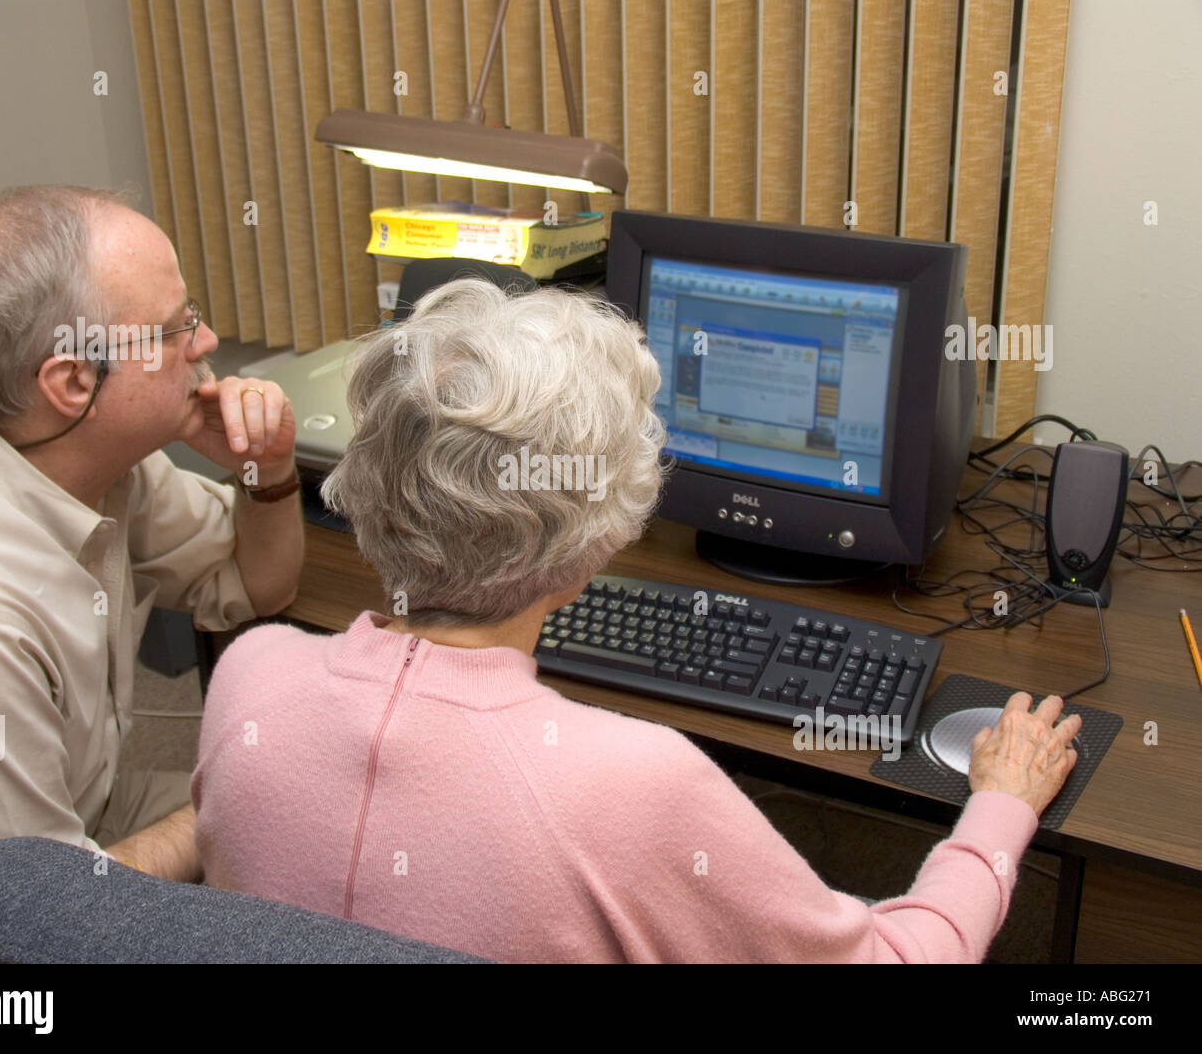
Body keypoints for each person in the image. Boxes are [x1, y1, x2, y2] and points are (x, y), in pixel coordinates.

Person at [191, 278, 1079, 963]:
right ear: (597, 539)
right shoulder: (636, 785)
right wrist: (997, 809)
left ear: (369, 487)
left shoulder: (250, 675)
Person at [0, 185, 304, 907]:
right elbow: (25, 919)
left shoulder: (74, 449)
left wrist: (266, 470)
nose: (205, 343)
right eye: (176, 328)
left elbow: (257, 583)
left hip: (84, 812)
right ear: (73, 381)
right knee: (285, 819)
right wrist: (232, 805)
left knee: (308, 817)